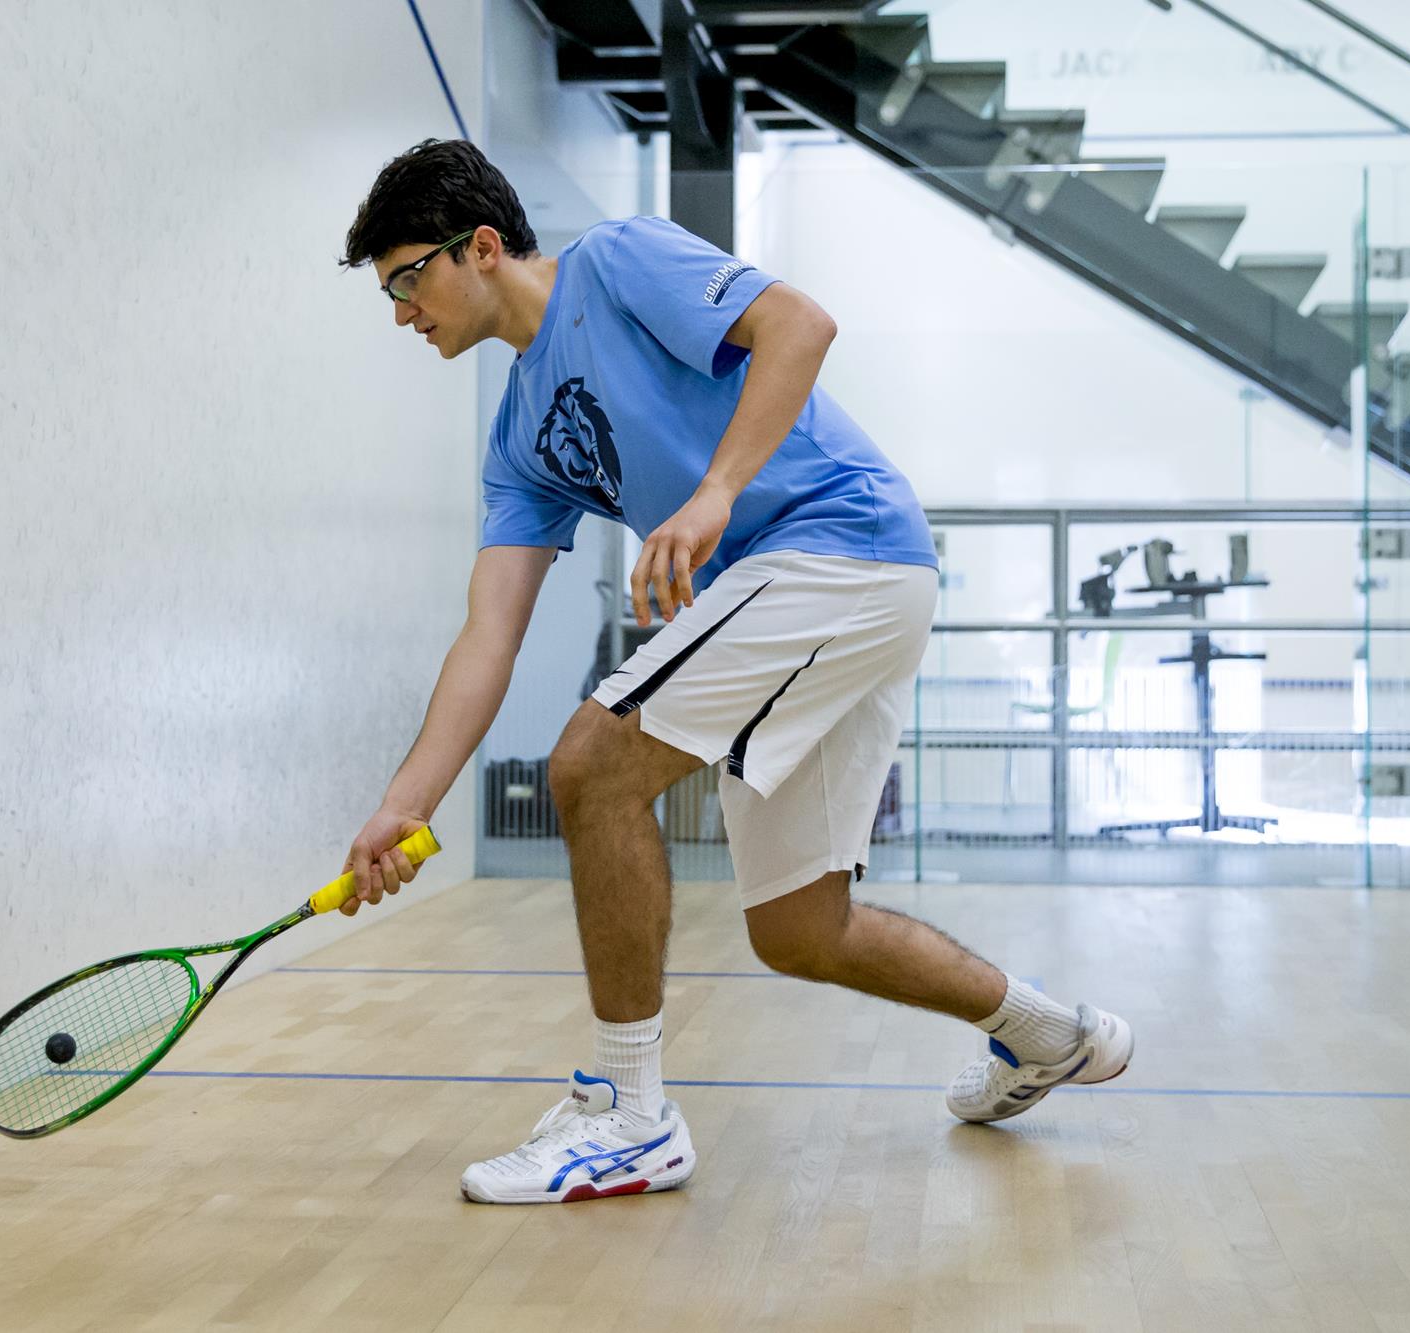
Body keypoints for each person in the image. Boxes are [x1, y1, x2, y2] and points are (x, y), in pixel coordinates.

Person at [334, 139, 1133, 1205]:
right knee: (801, 932)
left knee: (590, 765)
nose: (399, 313)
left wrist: (713, 493)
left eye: (406, 278)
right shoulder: (516, 437)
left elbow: (797, 325)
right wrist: (403, 803)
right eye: (386, 292)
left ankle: (629, 1116)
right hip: (829, 593)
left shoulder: (613, 264)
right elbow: (489, 633)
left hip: (838, 547)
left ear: (481, 247)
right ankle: (1048, 1033)